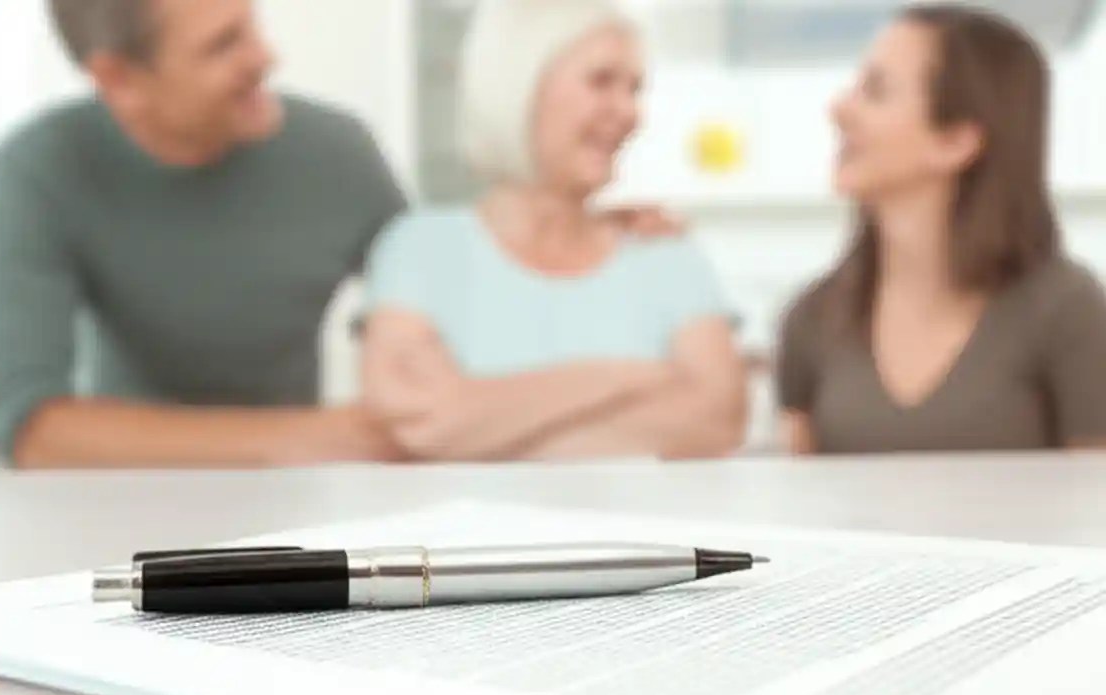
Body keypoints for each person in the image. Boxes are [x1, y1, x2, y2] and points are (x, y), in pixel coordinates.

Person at [0, 0, 411, 468]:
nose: (266, 57)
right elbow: (32, 430)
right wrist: (321, 437)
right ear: (118, 79)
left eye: (251, 26)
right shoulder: (41, 168)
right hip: (120, 500)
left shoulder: (340, 155)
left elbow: (453, 323)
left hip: (297, 499)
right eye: (223, 44)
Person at [361, 0, 747, 462]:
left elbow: (717, 421)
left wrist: (485, 425)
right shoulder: (418, 249)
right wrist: (632, 377)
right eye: (601, 81)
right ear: (520, 84)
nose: (629, 112)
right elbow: (424, 421)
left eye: (636, 89)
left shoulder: (664, 251)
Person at [777, 4, 1106, 454]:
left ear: (956, 141)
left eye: (876, 91)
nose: (838, 108)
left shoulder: (1066, 310)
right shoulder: (811, 318)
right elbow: (795, 510)